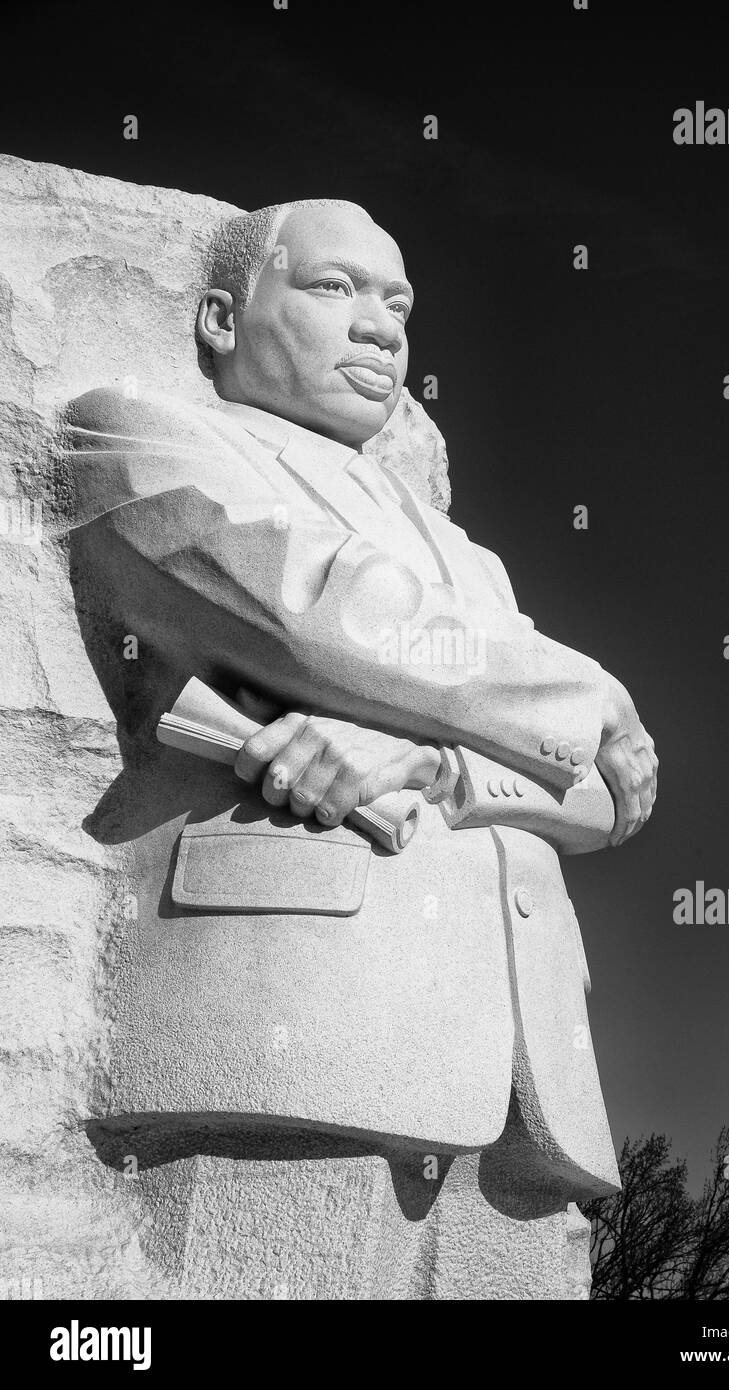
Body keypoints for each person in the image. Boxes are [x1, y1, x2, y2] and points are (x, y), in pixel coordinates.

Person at [64, 198, 657, 1299]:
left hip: (526, 1099)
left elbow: (612, 797)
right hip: (287, 1044)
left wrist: (432, 763)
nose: (382, 328)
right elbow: (316, 615)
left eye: (399, 305)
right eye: (334, 289)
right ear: (221, 319)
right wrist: (590, 689)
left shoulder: (469, 562)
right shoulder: (138, 432)